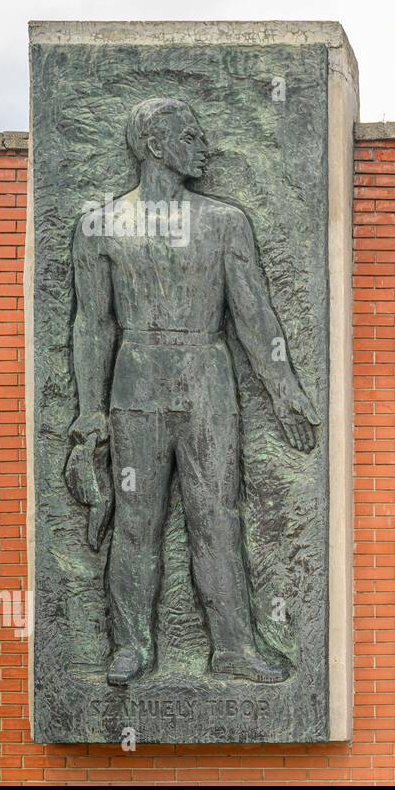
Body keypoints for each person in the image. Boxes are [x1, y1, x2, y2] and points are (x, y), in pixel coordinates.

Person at [68, 97, 319, 686]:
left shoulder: (224, 222)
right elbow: (92, 325)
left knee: (218, 518)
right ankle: (130, 645)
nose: (205, 144)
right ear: (156, 146)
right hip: (136, 385)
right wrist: (88, 411)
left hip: (207, 380)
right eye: (190, 135)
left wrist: (285, 391)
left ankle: (234, 646)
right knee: (135, 521)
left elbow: (254, 315)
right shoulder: (99, 227)